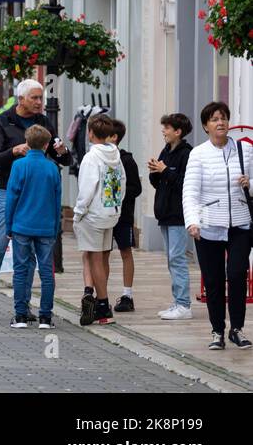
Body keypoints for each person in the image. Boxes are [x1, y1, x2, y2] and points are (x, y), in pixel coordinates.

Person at [0, 79, 71, 321]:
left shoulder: (43, 121)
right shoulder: (2, 122)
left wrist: (62, 151)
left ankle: (23, 306)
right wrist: (15, 150)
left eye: (41, 98)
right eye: (35, 98)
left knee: (27, 252)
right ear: (21, 99)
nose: (40, 102)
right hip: (8, 189)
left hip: (36, 193)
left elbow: (63, 160)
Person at [182, 101, 253, 350]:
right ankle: (217, 331)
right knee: (213, 280)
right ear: (206, 126)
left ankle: (237, 328)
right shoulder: (198, 154)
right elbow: (190, 191)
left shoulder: (244, 151)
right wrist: (192, 221)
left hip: (240, 223)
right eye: (214, 119)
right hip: (209, 224)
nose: (220, 122)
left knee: (236, 275)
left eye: (223, 118)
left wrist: (250, 183)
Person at [5, 124, 60, 329]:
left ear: (26, 143)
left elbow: (12, 197)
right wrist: (55, 227)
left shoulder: (18, 166)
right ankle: (45, 316)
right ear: (46, 145)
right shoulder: (52, 168)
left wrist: (9, 225)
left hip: (22, 225)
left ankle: (20, 315)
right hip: (45, 226)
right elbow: (56, 199)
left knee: (20, 270)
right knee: (47, 272)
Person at [73, 114, 126, 326]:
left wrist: (78, 212)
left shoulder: (91, 157)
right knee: (101, 258)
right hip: (110, 212)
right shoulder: (116, 156)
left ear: (91, 133)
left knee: (93, 258)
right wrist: (116, 207)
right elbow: (121, 183)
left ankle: (102, 304)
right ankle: (97, 300)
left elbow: (87, 188)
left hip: (92, 214)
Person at [148, 113, 194, 320]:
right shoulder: (166, 150)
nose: (163, 131)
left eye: (167, 128)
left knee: (177, 259)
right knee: (171, 260)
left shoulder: (187, 154)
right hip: (165, 213)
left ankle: (184, 305)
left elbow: (185, 183)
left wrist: (165, 170)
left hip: (178, 214)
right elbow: (160, 182)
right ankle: (177, 302)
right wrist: (155, 172)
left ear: (178, 132)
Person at [106, 118, 141, 313]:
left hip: (123, 215)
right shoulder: (98, 158)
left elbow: (136, 188)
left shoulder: (126, 160)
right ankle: (102, 295)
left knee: (125, 251)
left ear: (115, 137)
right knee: (103, 253)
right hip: (102, 215)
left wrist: (118, 194)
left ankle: (127, 294)